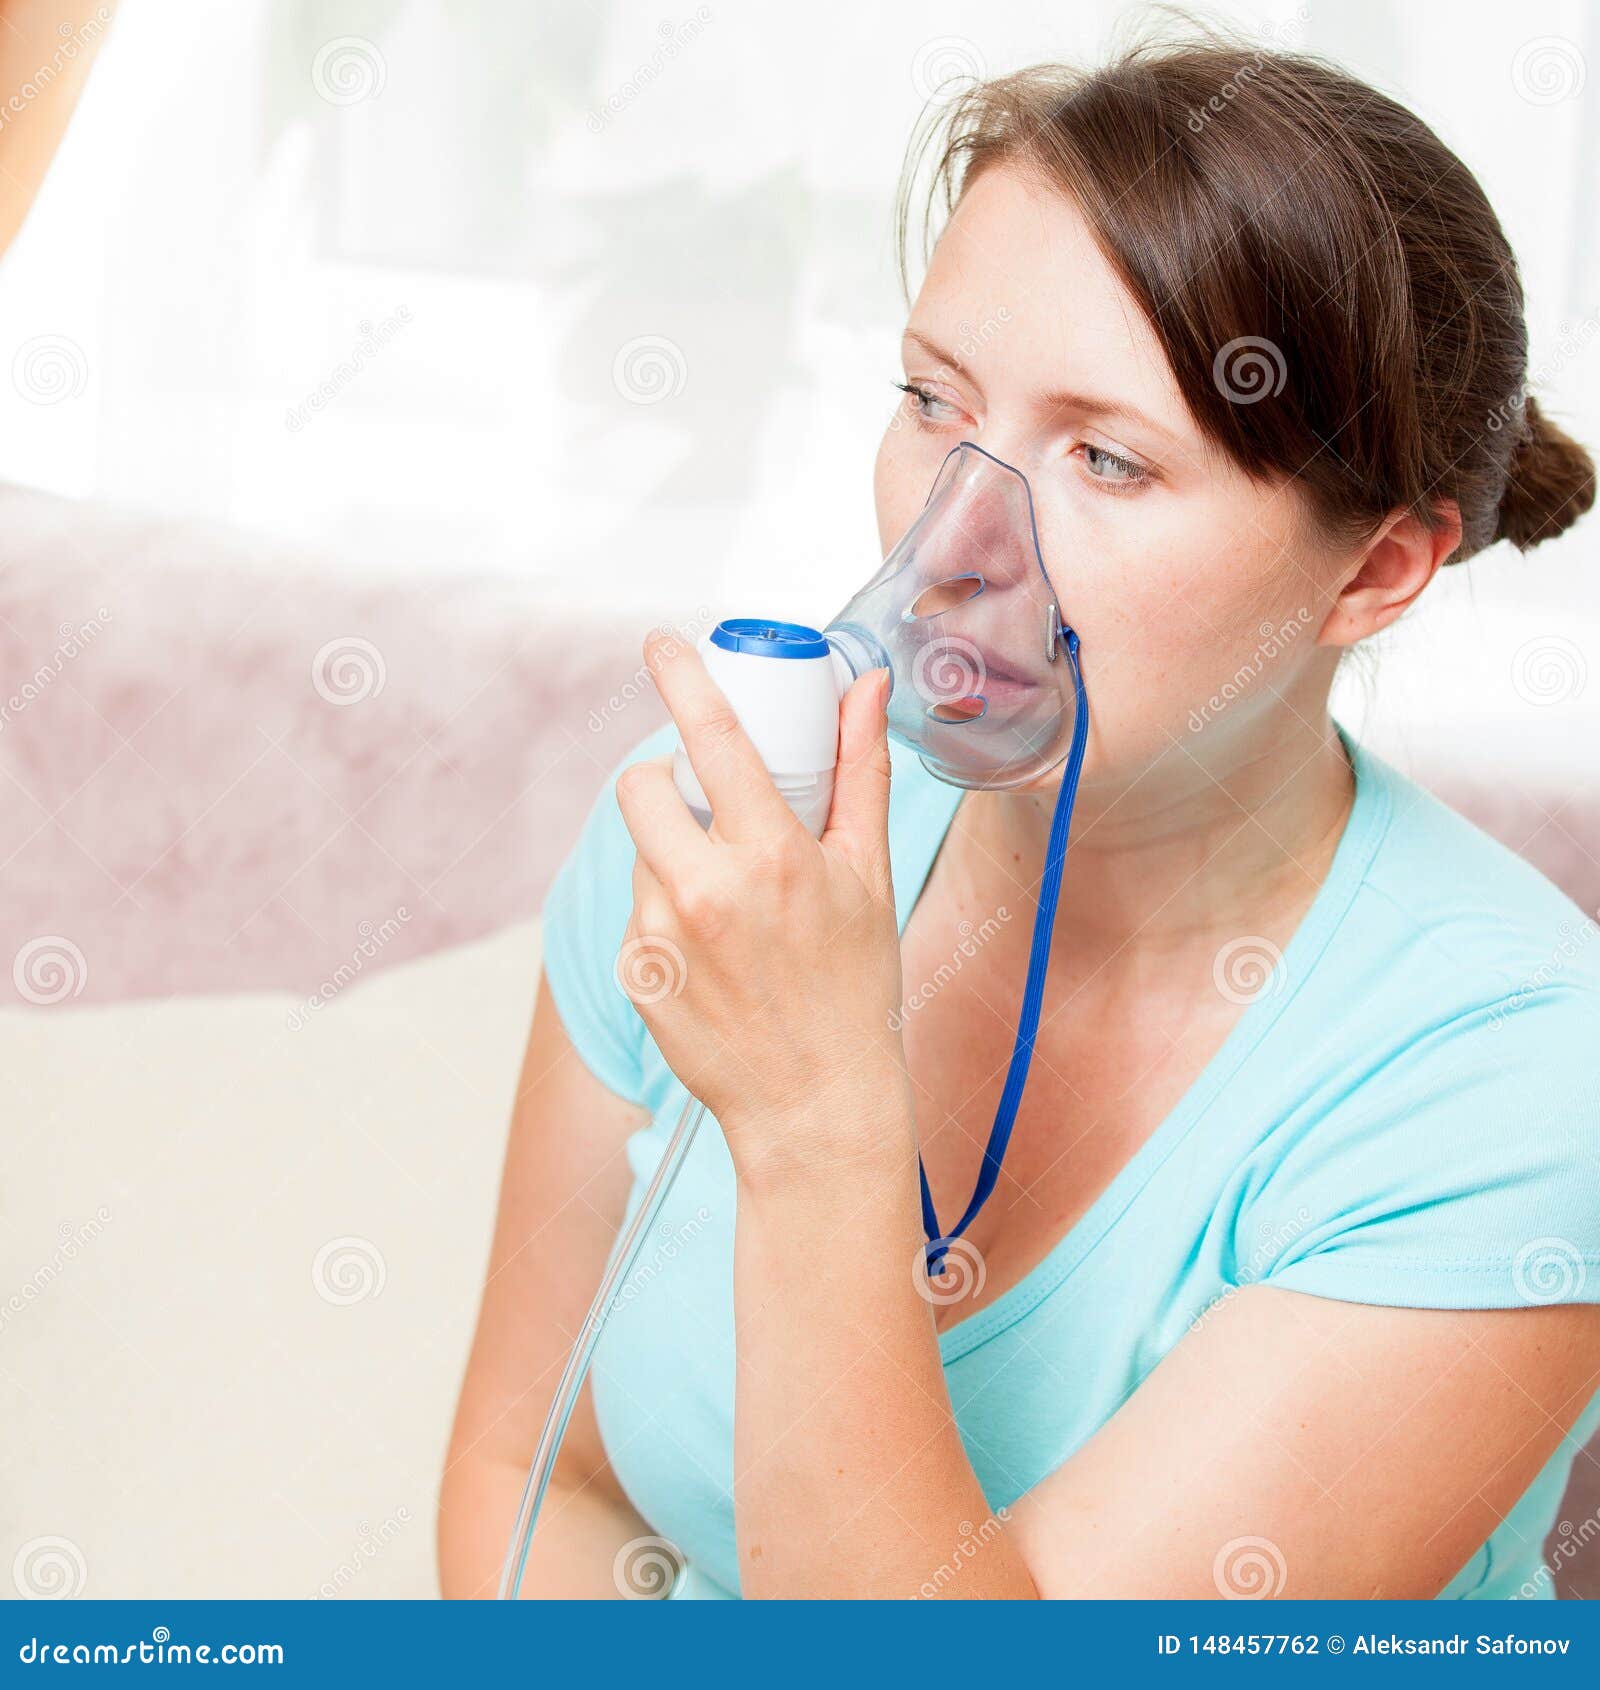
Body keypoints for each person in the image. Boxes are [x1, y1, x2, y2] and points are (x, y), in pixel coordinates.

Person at [442, 34, 1600, 1600]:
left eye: (1109, 460)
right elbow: (541, 1484)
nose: (953, 544)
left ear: (1374, 570)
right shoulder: (732, 837)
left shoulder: (1513, 1077)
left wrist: (815, 1116)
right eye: (935, 400)